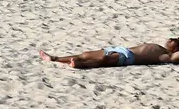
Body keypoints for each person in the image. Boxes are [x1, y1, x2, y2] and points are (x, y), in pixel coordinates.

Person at [39, 39, 179, 69]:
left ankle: (80, 65)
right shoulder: (160, 47)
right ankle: (54, 58)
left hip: (128, 57)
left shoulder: (167, 56)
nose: (171, 39)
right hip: (120, 49)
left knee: (104, 59)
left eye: (175, 40)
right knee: (86, 53)